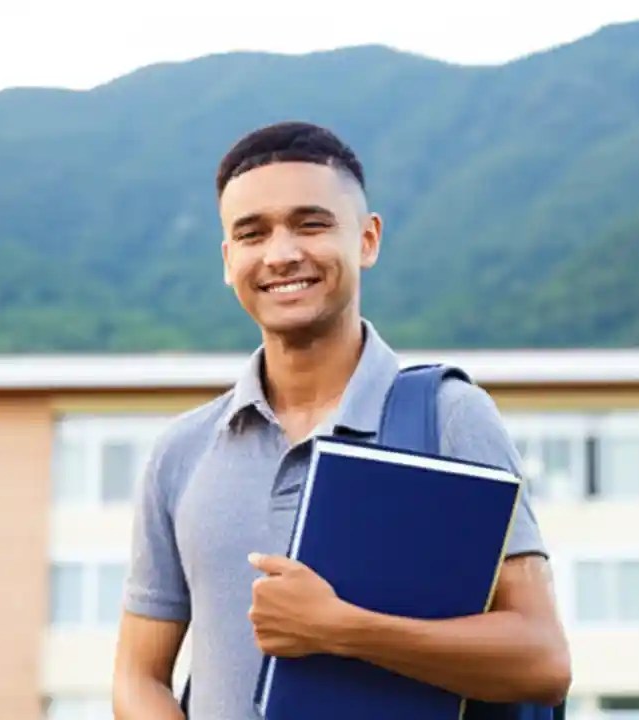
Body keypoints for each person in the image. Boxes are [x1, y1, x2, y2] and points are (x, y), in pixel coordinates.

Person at [111, 120, 571, 719]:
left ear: (367, 240)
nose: (281, 254)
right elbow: (138, 675)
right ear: (228, 260)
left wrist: (342, 628)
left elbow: (542, 660)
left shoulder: (448, 415)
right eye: (252, 233)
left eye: (311, 224)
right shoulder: (182, 450)